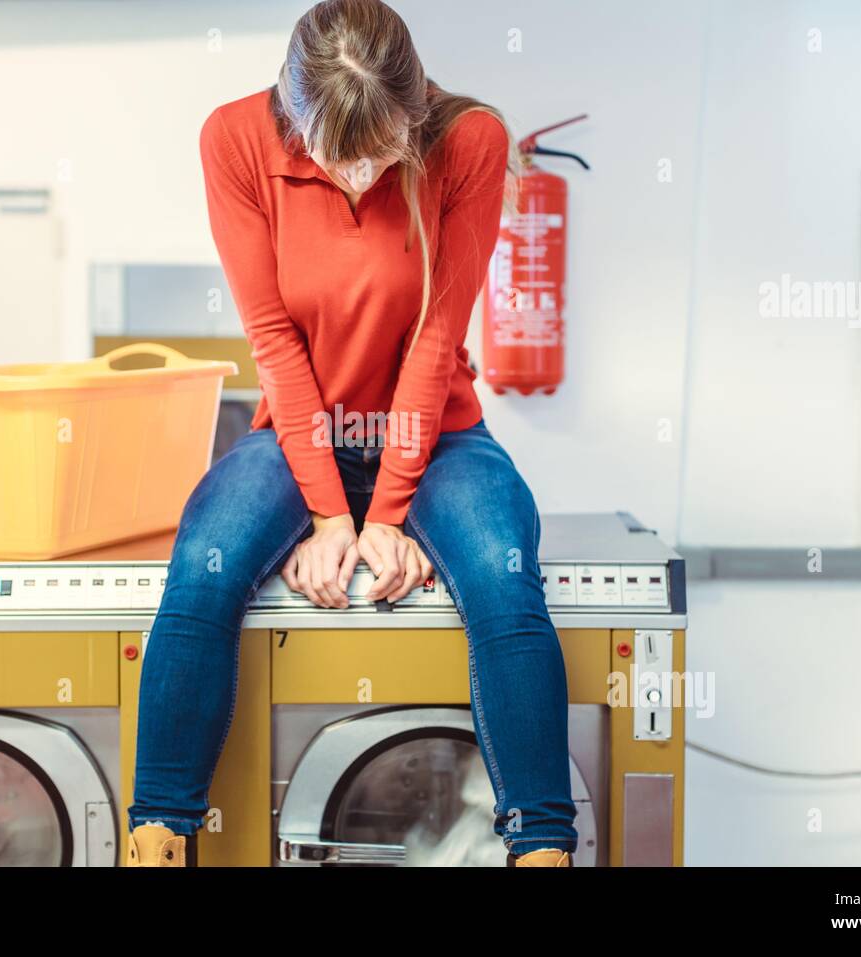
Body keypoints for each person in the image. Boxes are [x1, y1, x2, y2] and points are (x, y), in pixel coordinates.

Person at [127, 0, 576, 868]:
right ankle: (160, 838)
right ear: (298, 125)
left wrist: (390, 515)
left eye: (382, 152)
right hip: (299, 435)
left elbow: (436, 338)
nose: (365, 178)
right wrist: (330, 516)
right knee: (203, 563)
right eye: (343, 156)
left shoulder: (471, 142)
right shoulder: (233, 140)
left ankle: (544, 849)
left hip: (437, 433)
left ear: (414, 114)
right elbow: (273, 340)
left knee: (503, 575)